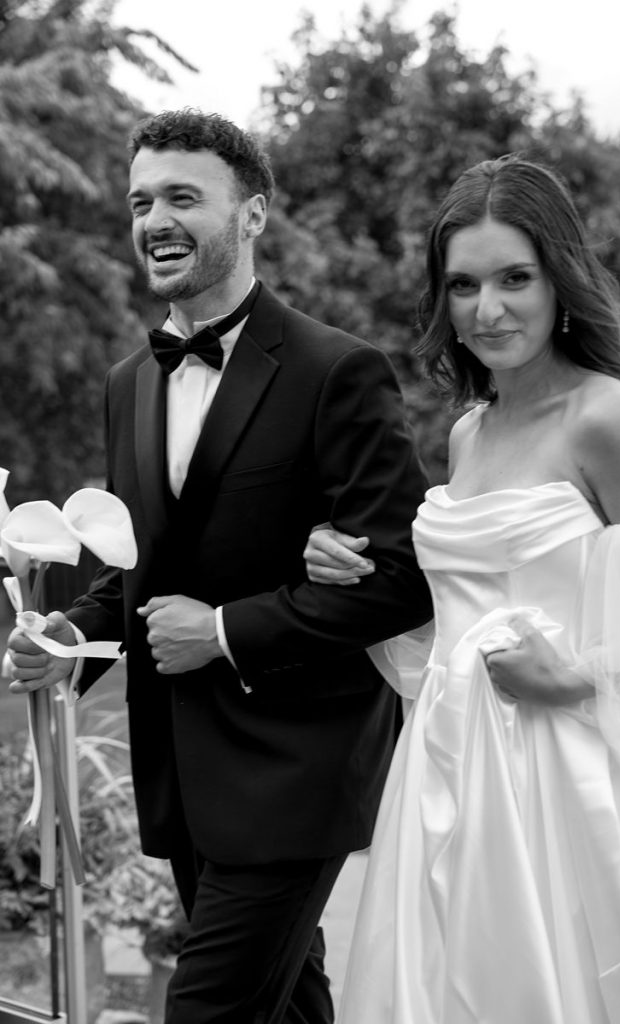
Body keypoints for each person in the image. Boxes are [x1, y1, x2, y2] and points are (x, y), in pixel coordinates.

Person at [6, 108, 433, 1024]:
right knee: (287, 1005)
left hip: (296, 769)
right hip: (182, 768)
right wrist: (72, 634)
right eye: (140, 202)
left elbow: (403, 579)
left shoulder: (338, 370)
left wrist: (227, 630)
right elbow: (142, 568)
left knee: (206, 1011)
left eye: (182, 198)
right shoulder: (128, 382)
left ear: (252, 213)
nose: (155, 220)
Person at [304, 154, 620, 1022]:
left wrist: (577, 677)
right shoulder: (469, 433)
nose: (487, 309)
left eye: (515, 278)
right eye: (463, 285)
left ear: (560, 280)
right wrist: (346, 564)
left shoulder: (604, 416)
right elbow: (456, 614)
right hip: (445, 759)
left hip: (564, 780)